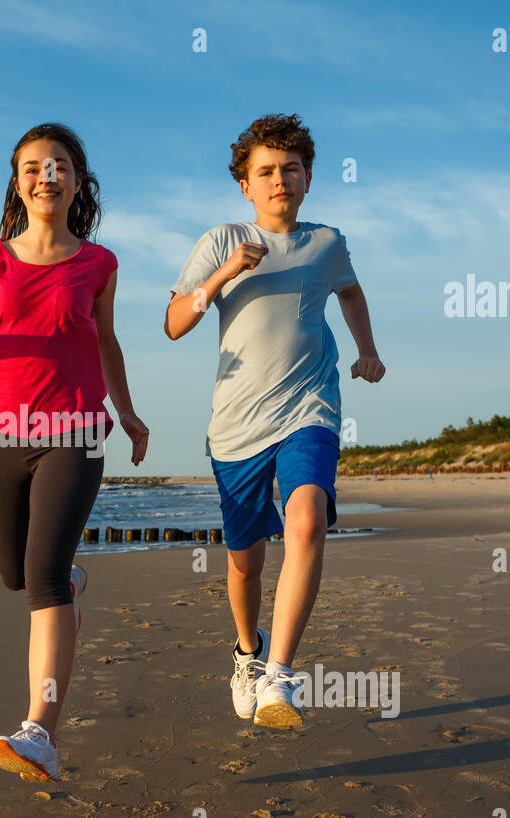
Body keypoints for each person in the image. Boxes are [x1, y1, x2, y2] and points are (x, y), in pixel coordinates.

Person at [0, 123, 148, 781]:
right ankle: (70, 585)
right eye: (32, 167)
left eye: (59, 166)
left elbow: (106, 343)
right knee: (15, 576)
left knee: (42, 579)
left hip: (74, 434)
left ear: (77, 182)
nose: (46, 175)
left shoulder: (98, 264)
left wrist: (125, 412)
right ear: (17, 184)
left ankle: (39, 733)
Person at [164, 113, 385, 728]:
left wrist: (366, 348)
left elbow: (351, 293)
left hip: (309, 407)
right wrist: (225, 272)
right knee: (244, 562)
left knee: (308, 516)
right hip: (236, 426)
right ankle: (247, 651)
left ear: (309, 177)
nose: (279, 179)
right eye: (266, 171)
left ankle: (280, 678)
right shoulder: (219, 240)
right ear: (246, 185)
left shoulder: (327, 242)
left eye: (291, 169)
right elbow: (175, 323)